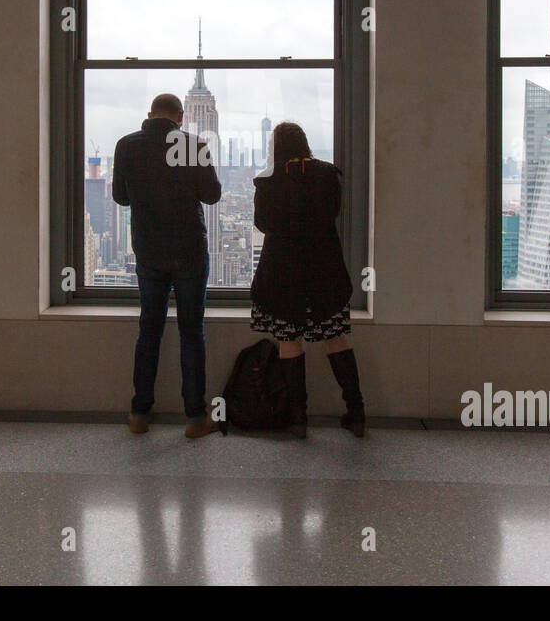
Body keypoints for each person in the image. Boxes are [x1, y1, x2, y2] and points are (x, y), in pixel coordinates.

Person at [112, 93, 223, 438]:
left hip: (148, 250)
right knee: (192, 332)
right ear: (180, 117)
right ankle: (194, 418)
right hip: (189, 249)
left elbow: (120, 197)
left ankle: (139, 413)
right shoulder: (192, 145)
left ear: (149, 115)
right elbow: (212, 195)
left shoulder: (126, 145)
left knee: (149, 329)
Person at [250, 122, 365, 438]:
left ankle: (298, 416)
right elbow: (332, 214)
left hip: (282, 274)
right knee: (336, 337)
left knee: (289, 341)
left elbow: (263, 224)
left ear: (276, 147)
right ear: (305, 143)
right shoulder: (328, 175)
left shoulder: (268, 181)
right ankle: (356, 412)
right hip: (324, 271)